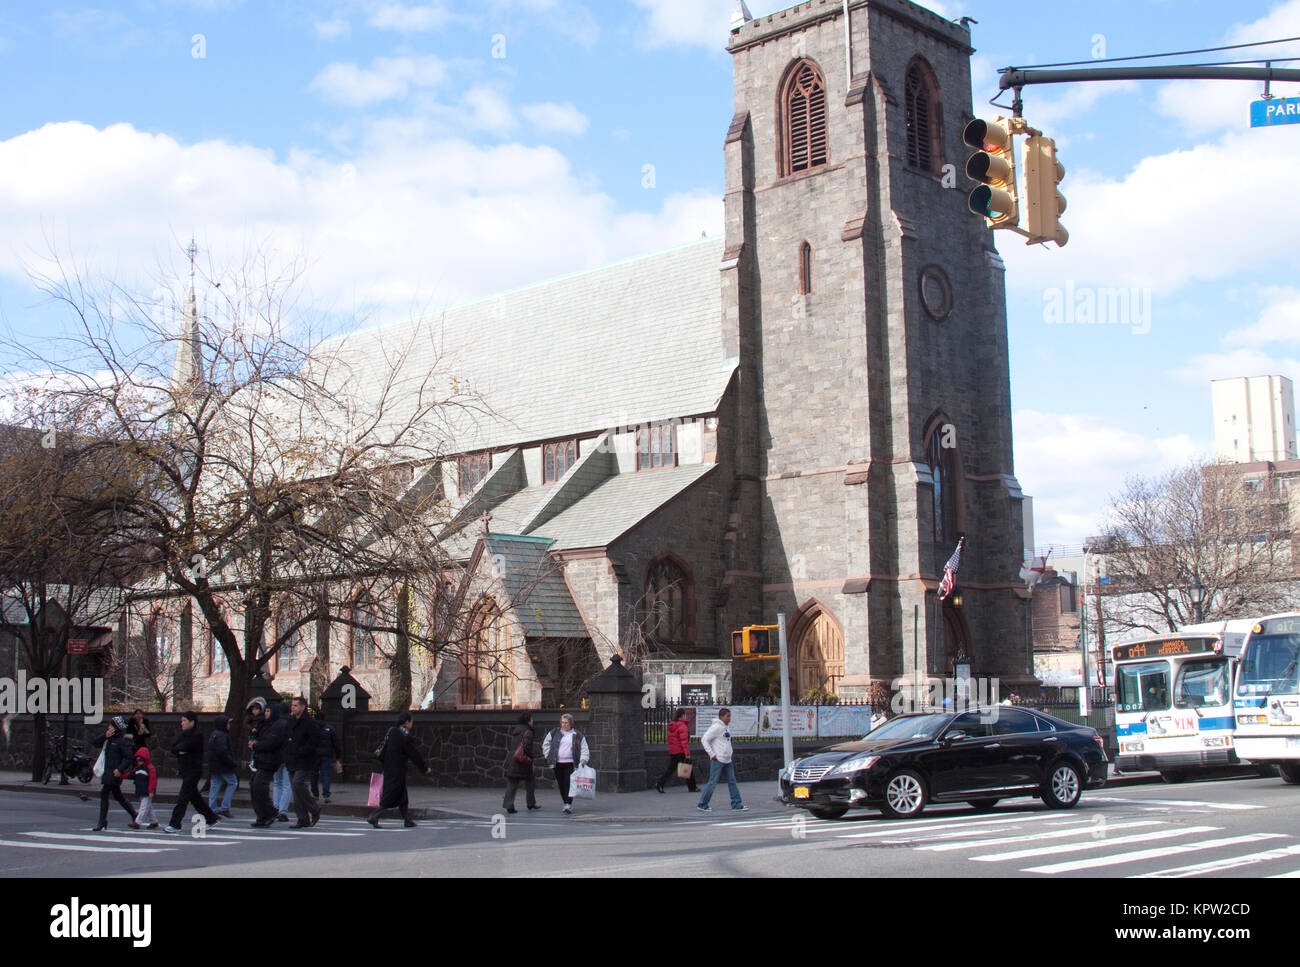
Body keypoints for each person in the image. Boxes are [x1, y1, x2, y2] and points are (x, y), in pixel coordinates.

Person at [368, 711, 430, 829]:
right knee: (391, 794)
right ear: (407, 722)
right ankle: (374, 815)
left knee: (402, 795)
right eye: (411, 722)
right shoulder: (404, 734)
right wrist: (424, 768)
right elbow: (413, 753)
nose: (412, 725)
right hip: (398, 769)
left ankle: (407, 819)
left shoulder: (392, 731)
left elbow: (383, 749)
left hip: (388, 766)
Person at [166, 711, 220, 833]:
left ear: (192, 722)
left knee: (183, 798)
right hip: (185, 770)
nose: (182, 723)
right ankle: (211, 818)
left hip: (193, 771)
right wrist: (179, 750)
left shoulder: (197, 735)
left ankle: (175, 823)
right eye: (182, 721)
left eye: (184, 721)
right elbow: (174, 747)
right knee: (194, 797)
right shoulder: (183, 734)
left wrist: (181, 749)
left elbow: (186, 747)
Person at [91, 716, 137, 831]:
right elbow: (95, 743)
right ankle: (134, 814)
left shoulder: (122, 740)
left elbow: (128, 758)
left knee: (104, 793)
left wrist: (120, 769)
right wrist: (104, 736)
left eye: (111, 726)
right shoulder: (109, 738)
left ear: (116, 727)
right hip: (108, 770)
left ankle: (102, 821)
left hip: (115, 772)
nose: (109, 728)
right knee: (117, 794)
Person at [697, 707, 746, 812]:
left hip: (727, 759)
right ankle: (702, 803)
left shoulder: (726, 727)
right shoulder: (716, 727)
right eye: (727, 716)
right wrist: (711, 753)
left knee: (732, 781)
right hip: (718, 759)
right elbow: (704, 739)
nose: (729, 718)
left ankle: (736, 804)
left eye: (730, 716)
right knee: (712, 782)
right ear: (721, 716)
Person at [248, 698, 288, 827]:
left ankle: (269, 813)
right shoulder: (265, 724)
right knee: (254, 785)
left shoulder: (278, 725)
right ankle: (262, 815)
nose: (265, 713)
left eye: (268, 711)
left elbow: (271, 743)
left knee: (260, 786)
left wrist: (256, 745)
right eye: (265, 711)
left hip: (270, 760)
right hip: (262, 759)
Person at [284, 696, 321, 829]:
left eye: (295, 705)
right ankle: (302, 818)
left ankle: (314, 808)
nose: (292, 707)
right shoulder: (290, 720)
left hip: (305, 759)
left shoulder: (309, 722)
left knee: (297, 783)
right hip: (291, 758)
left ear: (302, 707)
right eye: (292, 705)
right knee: (295, 789)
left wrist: (302, 750)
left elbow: (315, 740)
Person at [541, 712, 589, 814]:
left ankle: (568, 804)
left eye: (566, 723)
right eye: (562, 722)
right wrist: (547, 755)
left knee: (568, 784)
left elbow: (584, 748)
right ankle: (565, 803)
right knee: (561, 784)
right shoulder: (554, 732)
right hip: (557, 763)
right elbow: (546, 743)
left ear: (571, 723)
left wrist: (583, 759)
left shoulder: (577, 735)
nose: (564, 725)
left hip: (570, 763)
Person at [502, 711, 540, 814]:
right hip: (523, 760)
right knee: (530, 781)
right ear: (528, 721)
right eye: (531, 719)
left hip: (513, 759)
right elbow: (526, 746)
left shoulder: (517, 730)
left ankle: (508, 804)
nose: (533, 721)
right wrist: (531, 756)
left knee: (512, 783)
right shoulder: (528, 731)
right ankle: (531, 803)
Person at [656, 708, 698, 794]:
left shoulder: (672, 725)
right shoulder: (682, 726)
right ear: (682, 715)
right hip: (681, 751)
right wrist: (687, 754)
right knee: (687, 769)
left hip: (673, 751)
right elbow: (684, 742)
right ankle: (692, 787)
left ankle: (660, 783)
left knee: (671, 769)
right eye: (685, 714)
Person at [207, 714, 238, 818]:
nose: (229, 725)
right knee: (233, 783)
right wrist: (232, 762)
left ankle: (212, 808)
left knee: (215, 785)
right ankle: (225, 807)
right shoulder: (222, 736)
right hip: (223, 765)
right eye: (228, 723)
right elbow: (223, 752)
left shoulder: (214, 734)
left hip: (215, 765)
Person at [310, 708, 343, 804]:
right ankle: (326, 795)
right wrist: (337, 756)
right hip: (326, 754)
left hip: (314, 755)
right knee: (326, 775)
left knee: (314, 774)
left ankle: (315, 794)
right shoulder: (329, 728)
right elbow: (336, 743)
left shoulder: (312, 728)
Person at [270, 702, 293, 822]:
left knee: (277, 783)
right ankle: (282, 811)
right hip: (287, 756)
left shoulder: (274, 724)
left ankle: (276, 807)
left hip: (276, 756)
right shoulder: (291, 722)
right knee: (286, 784)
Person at [128, 746, 159, 830]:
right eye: (138, 760)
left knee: (144, 808)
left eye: (140, 760)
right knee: (148, 808)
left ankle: (137, 822)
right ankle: (154, 822)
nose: (139, 762)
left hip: (147, 791)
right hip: (142, 790)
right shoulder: (138, 768)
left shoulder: (149, 768)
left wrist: (151, 790)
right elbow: (131, 775)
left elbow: (153, 780)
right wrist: (122, 775)